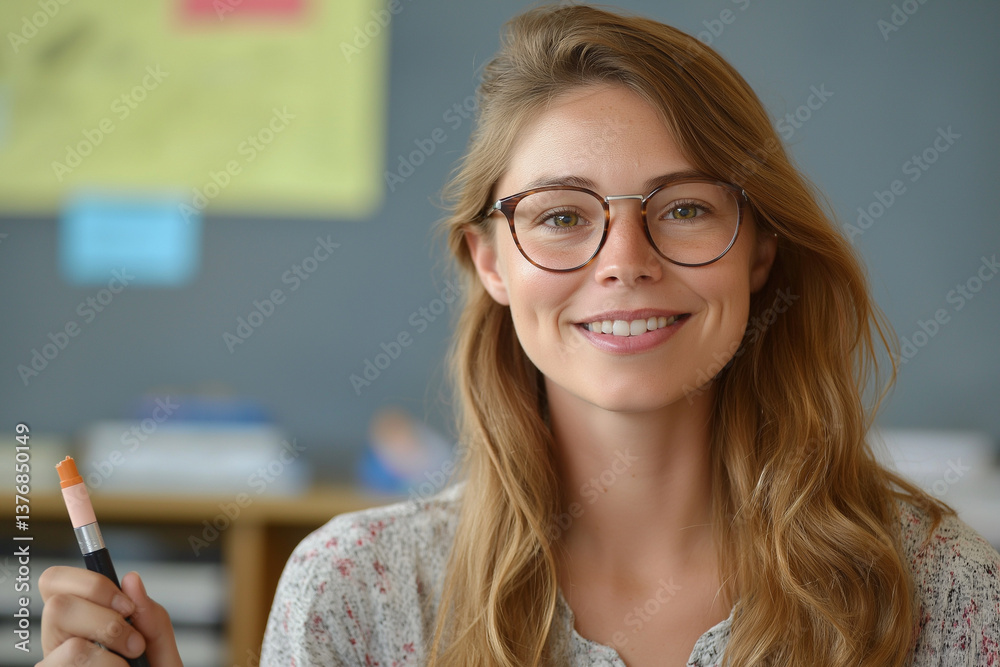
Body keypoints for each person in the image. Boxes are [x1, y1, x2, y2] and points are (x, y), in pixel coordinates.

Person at [39, 4, 1000, 667]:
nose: (625, 259)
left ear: (760, 250)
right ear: (489, 262)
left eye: (686, 209)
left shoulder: (938, 585)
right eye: (559, 215)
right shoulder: (358, 591)